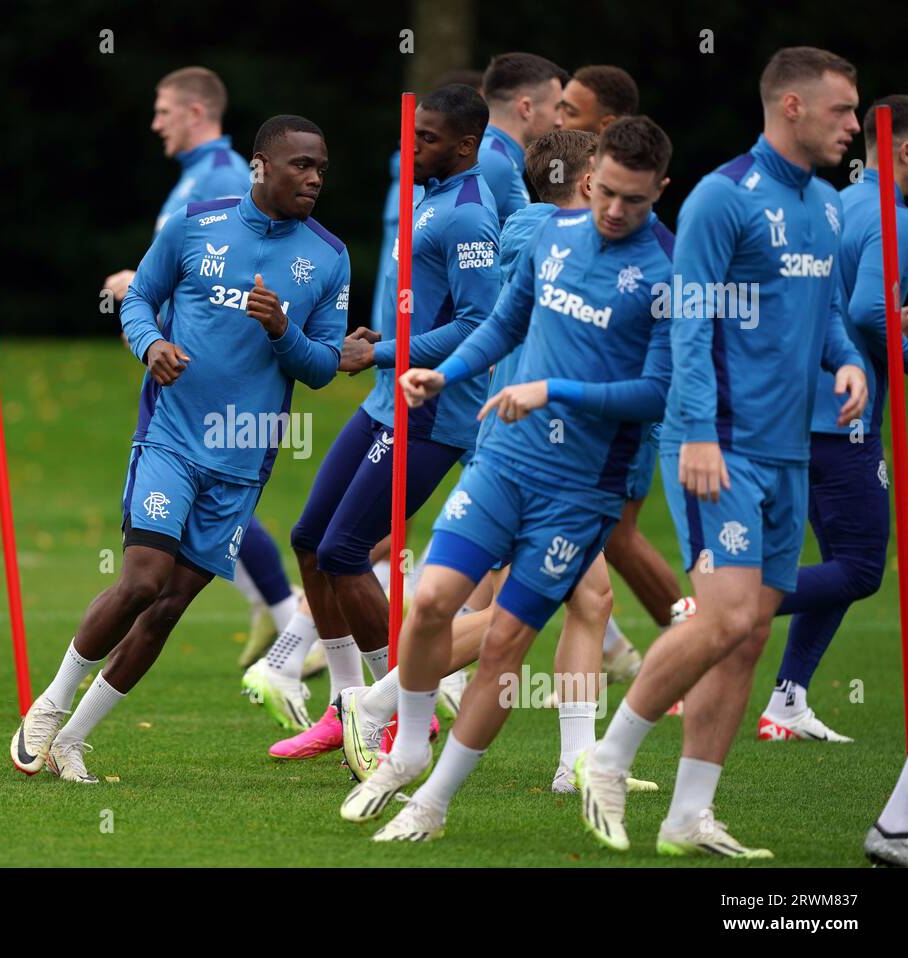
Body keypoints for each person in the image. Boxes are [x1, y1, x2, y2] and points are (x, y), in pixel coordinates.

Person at [341, 117, 677, 842]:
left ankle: (433, 806)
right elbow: (501, 323)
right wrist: (445, 372)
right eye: (608, 194)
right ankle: (404, 750)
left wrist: (555, 391)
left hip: (581, 488)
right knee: (431, 601)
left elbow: (656, 392)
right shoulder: (551, 238)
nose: (617, 212)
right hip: (504, 457)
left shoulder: (666, 275)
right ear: (591, 180)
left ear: (661, 192)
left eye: (636, 202)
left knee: (506, 646)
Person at [576, 47, 867, 859]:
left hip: (790, 451)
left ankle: (687, 816)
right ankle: (610, 755)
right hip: (722, 442)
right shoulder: (720, 198)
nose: (854, 125)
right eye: (843, 110)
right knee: (727, 614)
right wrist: (697, 432)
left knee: (750, 635)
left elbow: (828, 307)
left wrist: (843, 357)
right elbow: (688, 323)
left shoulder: (829, 207)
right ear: (794, 108)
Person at [10, 115, 350, 783]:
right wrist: (151, 344)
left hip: (243, 459)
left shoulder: (329, 256)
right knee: (141, 582)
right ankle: (50, 704)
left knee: (167, 609)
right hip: (171, 437)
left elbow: (321, 365)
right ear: (261, 167)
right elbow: (139, 298)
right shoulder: (199, 222)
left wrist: (283, 330)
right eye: (300, 165)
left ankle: (74, 740)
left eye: (321, 168)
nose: (313, 178)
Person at [241, 85, 500, 758]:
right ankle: (346, 705)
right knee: (309, 540)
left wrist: (380, 351)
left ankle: (401, 709)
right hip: (385, 398)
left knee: (344, 552)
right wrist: (382, 341)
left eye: (428, 139)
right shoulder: (425, 197)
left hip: (432, 411)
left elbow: (479, 326)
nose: (412, 148)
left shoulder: (470, 216)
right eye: (412, 135)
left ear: (466, 146)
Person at [100, 66, 309, 673]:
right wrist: (143, 298)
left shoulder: (220, 178)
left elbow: (225, 283)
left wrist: (136, 290)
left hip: (215, 380)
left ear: (195, 112)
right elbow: (178, 272)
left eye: (164, 111)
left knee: (208, 490)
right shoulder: (197, 176)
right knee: (199, 497)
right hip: (180, 369)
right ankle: (282, 616)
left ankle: (290, 618)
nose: (155, 122)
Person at [760, 95, 908, 742]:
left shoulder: (836, 204)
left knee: (839, 558)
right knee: (861, 567)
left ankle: (787, 700)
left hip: (800, 409)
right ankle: (723, 606)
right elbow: (874, 310)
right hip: (841, 414)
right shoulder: (892, 216)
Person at [556, 64, 687, 680]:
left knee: (618, 543)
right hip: (556, 439)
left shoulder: (659, 254)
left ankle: (692, 642)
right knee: (587, 579)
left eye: (570, 112)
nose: (559, 120)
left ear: (605, 129)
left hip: (613, 431)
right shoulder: (569, 231)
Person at [477, 52, 567, 226]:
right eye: (557, 107)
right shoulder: (492, 159)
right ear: (526, 108)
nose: (560, 121)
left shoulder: (494, 154)